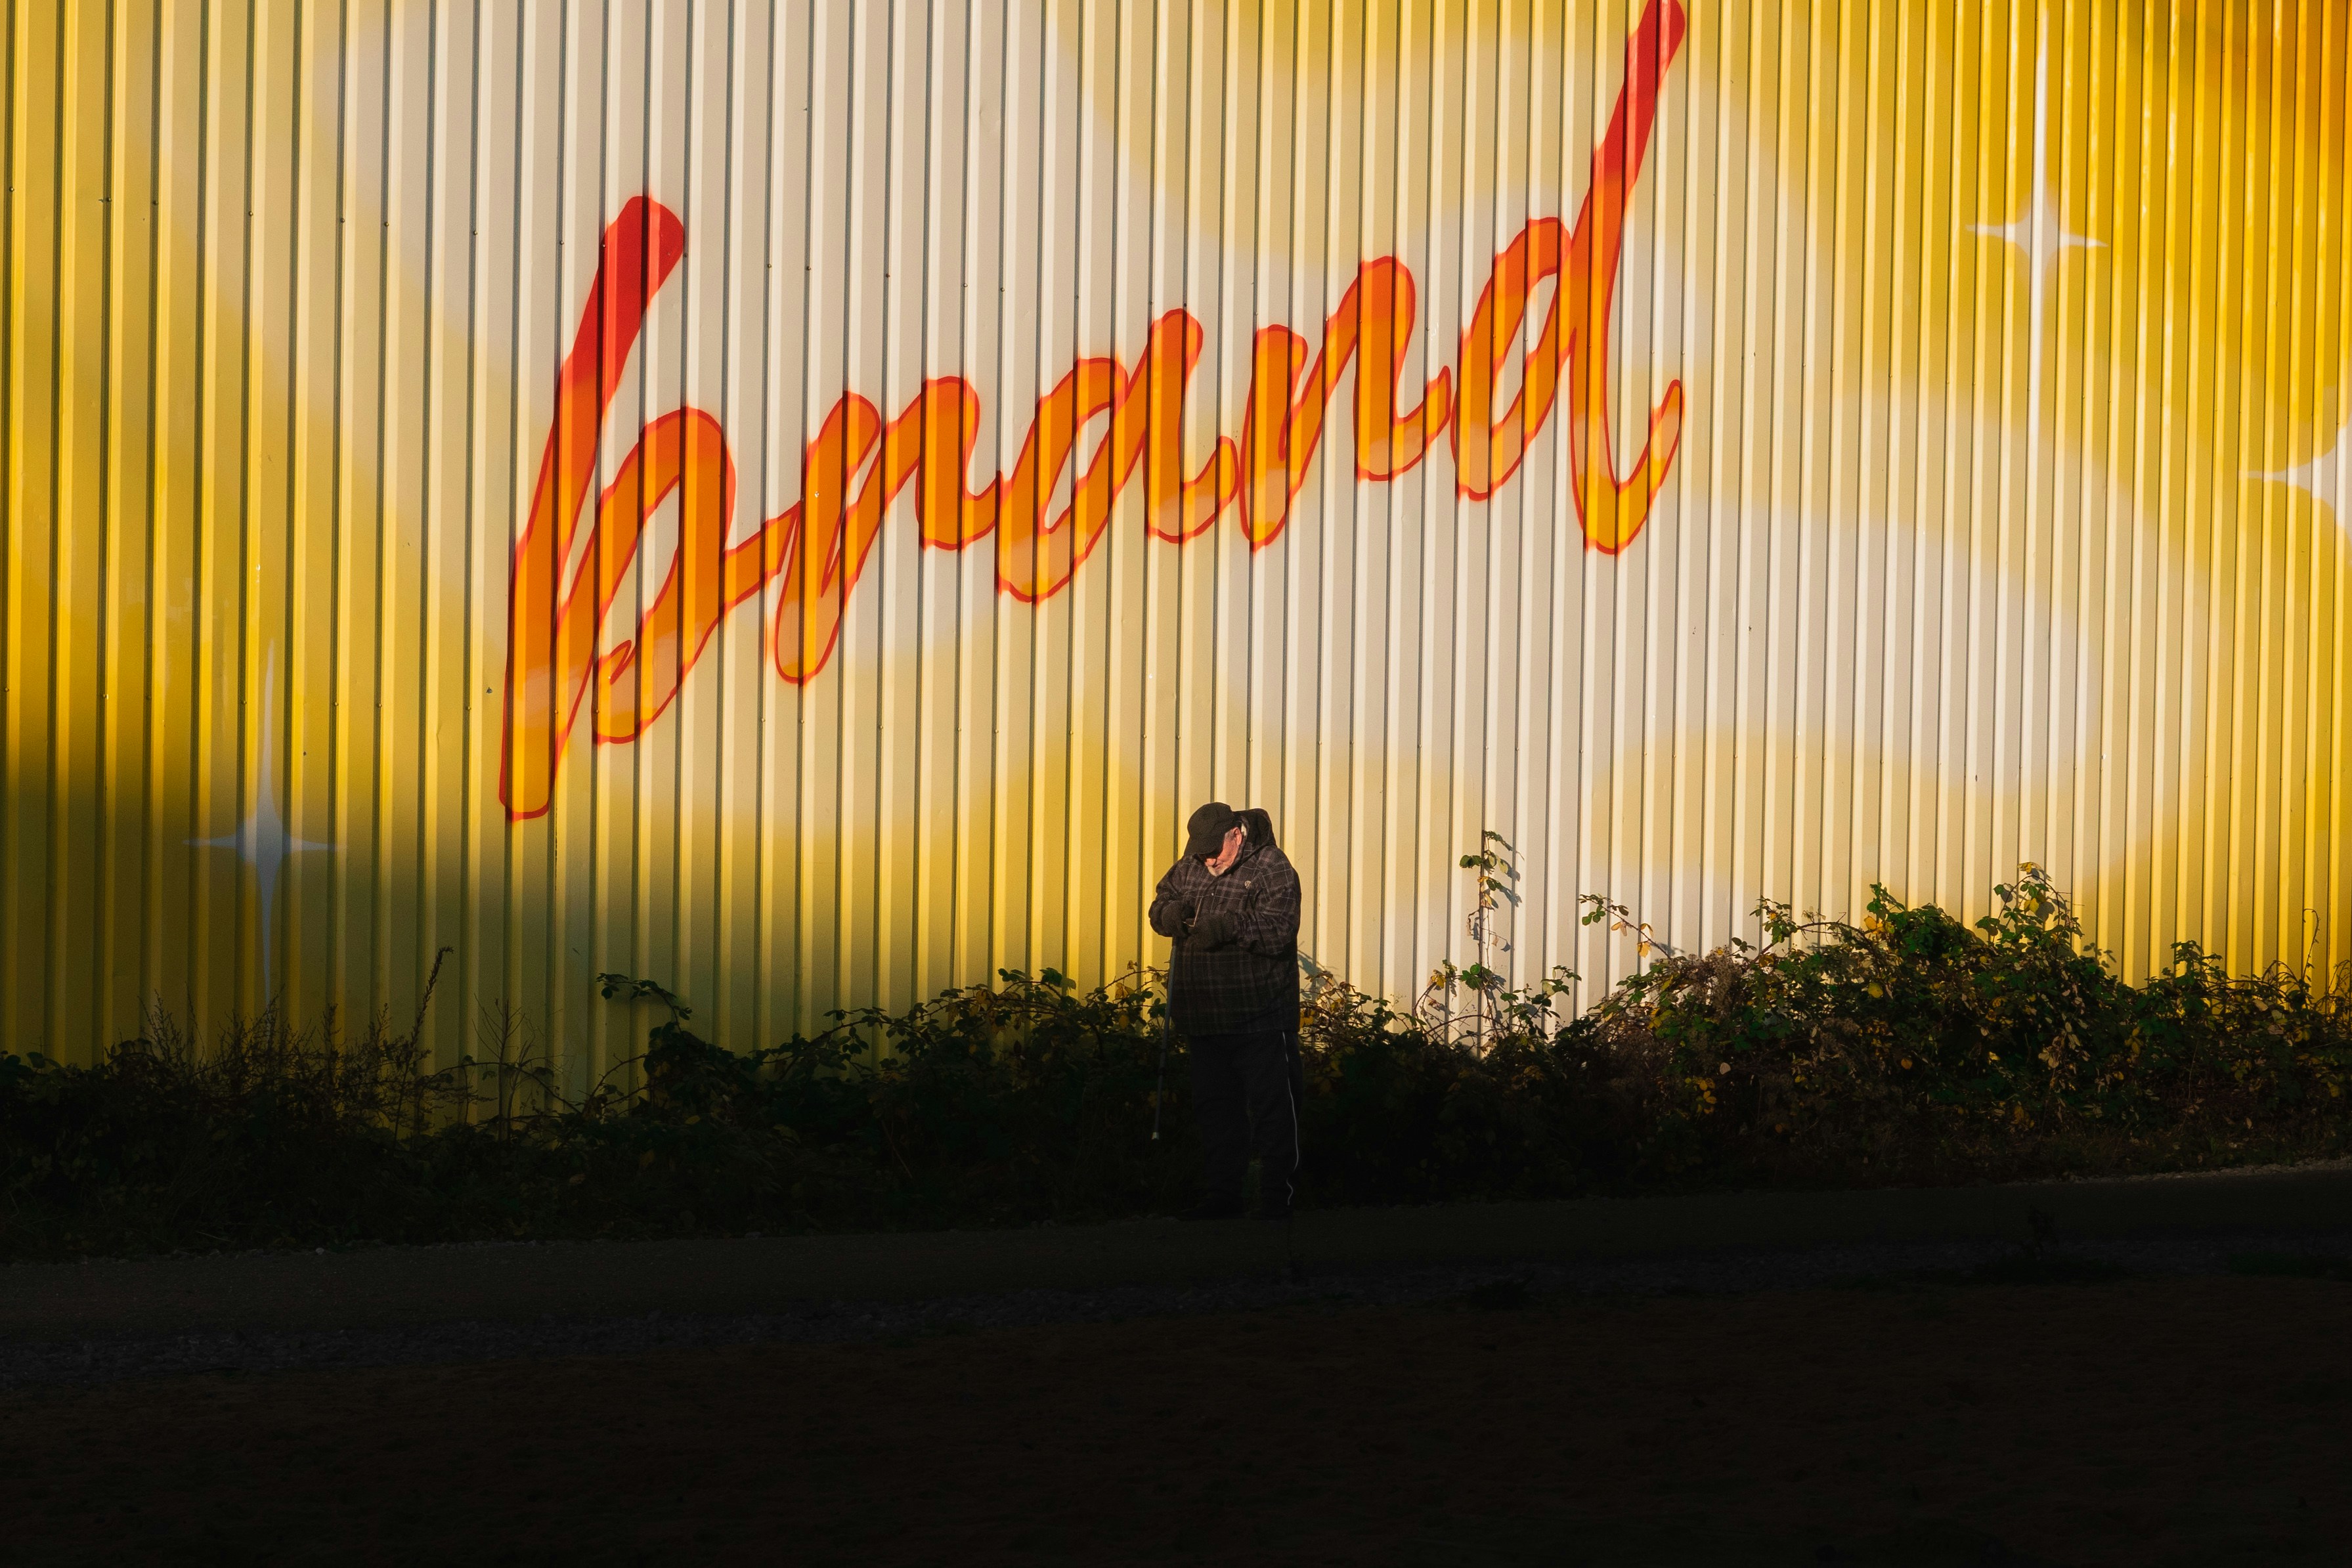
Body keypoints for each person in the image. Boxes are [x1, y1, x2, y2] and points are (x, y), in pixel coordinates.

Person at [1148, 801, 1304, 1221]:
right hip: (1203, 1017)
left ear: (1237, 833)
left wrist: (1231, 926)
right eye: (1199, 849)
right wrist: (1170, 915)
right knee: (1217, 1113)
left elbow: (1280, 930)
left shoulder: (1273, 867)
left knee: (1275, 1112)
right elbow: (1158, 908)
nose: (1207, 857)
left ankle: (1278, 1201)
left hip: (1261, 1016)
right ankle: (1223, 1198)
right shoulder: (1189, 866)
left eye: (1214, 848)